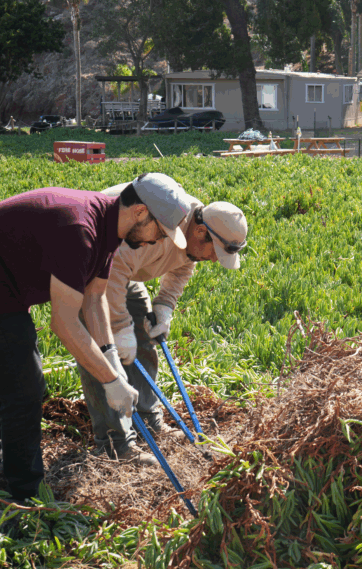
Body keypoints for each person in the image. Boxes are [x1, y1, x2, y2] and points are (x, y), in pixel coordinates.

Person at [0, 173, 194, 502]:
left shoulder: (108, 226)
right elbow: (63, 323)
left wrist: (110, 357)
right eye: (160, 231)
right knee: (25, 385)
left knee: (7, 360)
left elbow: (94, 298)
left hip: (11, 276)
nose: (156, 241)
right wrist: (110, 381)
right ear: (140, 212)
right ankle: (27, 494)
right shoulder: (81, 232)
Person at [78, 183, 248, 466]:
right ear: (200, 231)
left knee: (143, 340)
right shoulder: (163, 219)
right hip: (96, 265)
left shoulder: (197, 232)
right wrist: (119, 329)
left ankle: (147, 418)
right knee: (103, 353)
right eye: (215, 251)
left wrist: (164, 306)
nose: (214, 259)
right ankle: (114, 443)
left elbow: (184, 265)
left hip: (125, 272)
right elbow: (114, 271)